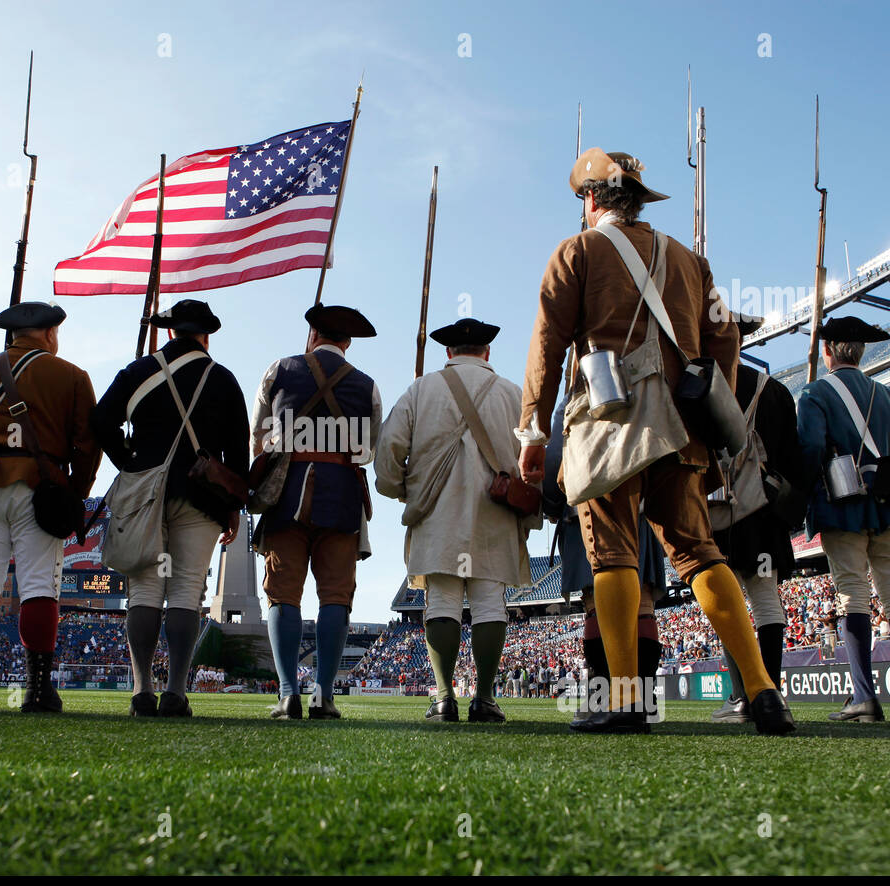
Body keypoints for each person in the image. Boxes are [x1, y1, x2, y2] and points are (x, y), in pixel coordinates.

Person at [518, 147, 794, 735]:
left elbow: (546, 344)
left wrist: (532, 431)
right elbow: (723, 341)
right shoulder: (696, 264)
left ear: (591, 200)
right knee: (699, 553)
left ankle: (624, 701)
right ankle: (764, 693)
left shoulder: (577, 251)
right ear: (639, 200)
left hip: (607, 422)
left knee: (611, 553)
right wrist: (703, 404)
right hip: (681, 427)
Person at [0, 301, 100, 713]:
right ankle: (38, 690)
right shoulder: (71, 376)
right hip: (39, 487)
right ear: (48, 334)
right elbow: (87, 444)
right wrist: (75, 494)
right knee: (39, 586)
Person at [92, 299, 249, 717]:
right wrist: (233, 506)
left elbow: (100, 420)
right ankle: (176, 692)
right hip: (200, 499)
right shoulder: (224, 379)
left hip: (146, 495)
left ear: (168, 332)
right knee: (185, 590)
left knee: (145, 588)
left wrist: (129, 461)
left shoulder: (138, 371)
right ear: (206, 336)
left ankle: (142, 689)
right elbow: (238, 455)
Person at [375, 318, 533, 723]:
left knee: (441, 600)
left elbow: (389, 447)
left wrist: (400, 488)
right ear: (488, 352)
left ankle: (444, 698)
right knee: (487, 604)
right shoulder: (513, 394)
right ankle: (484, 699)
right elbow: (533, 456)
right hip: (493, 512)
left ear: (448, 352)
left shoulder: (421, 389)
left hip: (436, 512)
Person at [252, 303, 381, 720]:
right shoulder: (367, 386)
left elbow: (259, 437)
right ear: (347, 343)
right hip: (341, 500)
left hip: (286, 498)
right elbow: (368, 451)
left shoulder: (279, 370)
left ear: (312, 335)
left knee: (282, 594)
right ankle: (324, 695)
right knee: (336, 597)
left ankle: (288, 693)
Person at [796, 315, 890, 722]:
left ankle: (864, 698)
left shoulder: (815, 393)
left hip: (842, 506)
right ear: (862, 350)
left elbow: (810, 449)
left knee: (852, 593)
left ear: (828, 350)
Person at [542, 392, 668, 720]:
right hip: (643, 498)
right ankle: (644, 699)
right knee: (642, 604)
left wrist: (553, 501)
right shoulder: (652, 369)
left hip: (592, 494)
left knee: (597, 603)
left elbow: (556, 451)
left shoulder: (578, 385)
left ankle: (602, 698)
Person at [709, 314, 807, 722]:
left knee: (728, 604)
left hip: (717, 514)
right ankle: (770, 693)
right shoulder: (775, 391)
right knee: (766, 598)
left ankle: (742, 696)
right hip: (763, 514)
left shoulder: (698, 388)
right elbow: (793, 464)